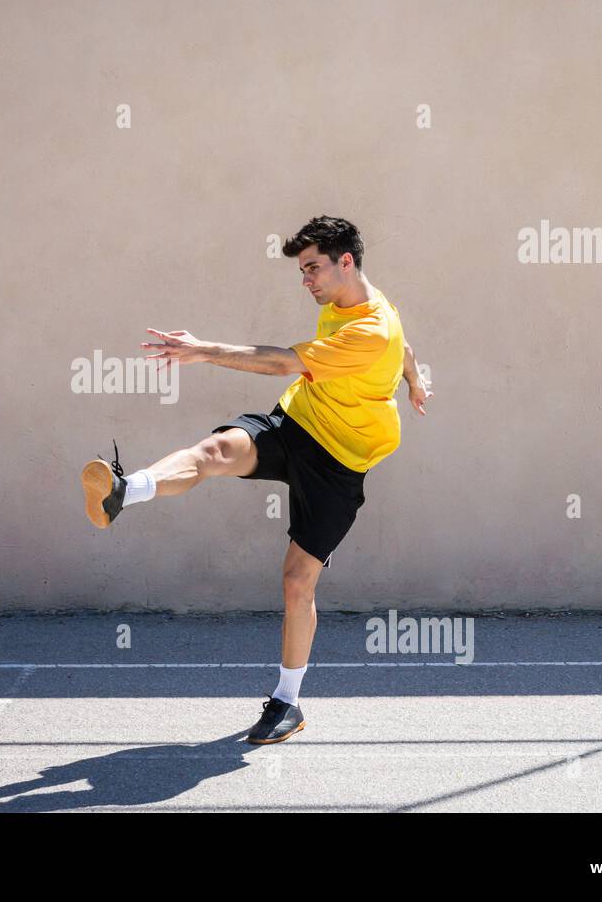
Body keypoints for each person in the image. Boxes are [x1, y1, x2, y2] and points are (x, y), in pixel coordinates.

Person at [79, 215, 433, 743]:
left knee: (297, 582)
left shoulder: (370, 330)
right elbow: (403, 348)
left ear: (346, 261)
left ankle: (288, 701)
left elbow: (283, 362)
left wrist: (203, 351)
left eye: (312, 268)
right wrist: (414, 379)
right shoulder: (358, 304)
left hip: (340, 464)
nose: (305, 279)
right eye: (301, 270)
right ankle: (125, 491)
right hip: (297, 424)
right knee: (217, 449)